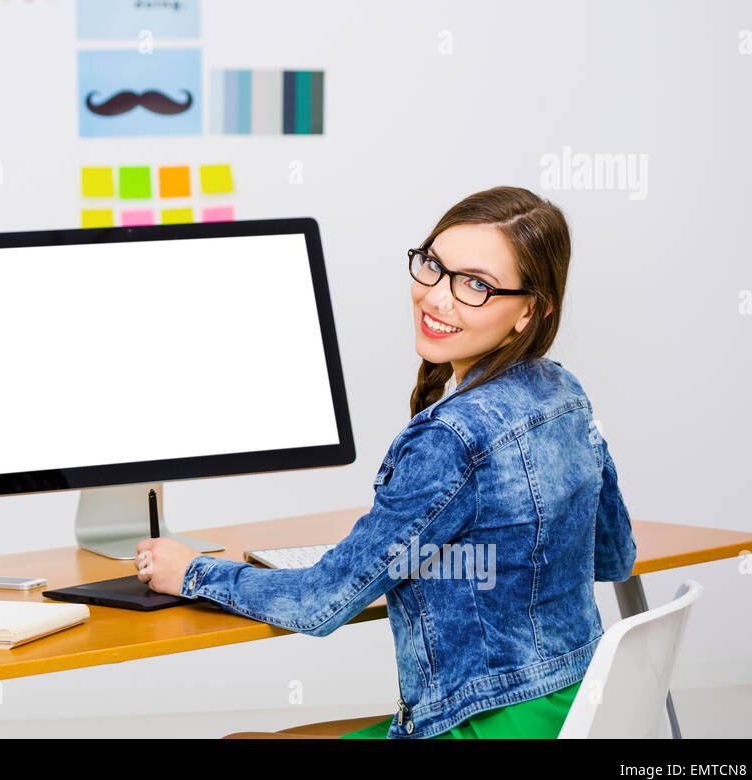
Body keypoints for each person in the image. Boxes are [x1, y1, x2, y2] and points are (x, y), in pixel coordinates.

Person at [135, 186, 637, 738]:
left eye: (477, 285)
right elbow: (613, 557)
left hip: (485, 724)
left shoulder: (452, 437)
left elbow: (320, 602)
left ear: (530, 311)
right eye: (434, 267)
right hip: (582, 713)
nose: (437, 299)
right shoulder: (564, 392)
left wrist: (191, 573)